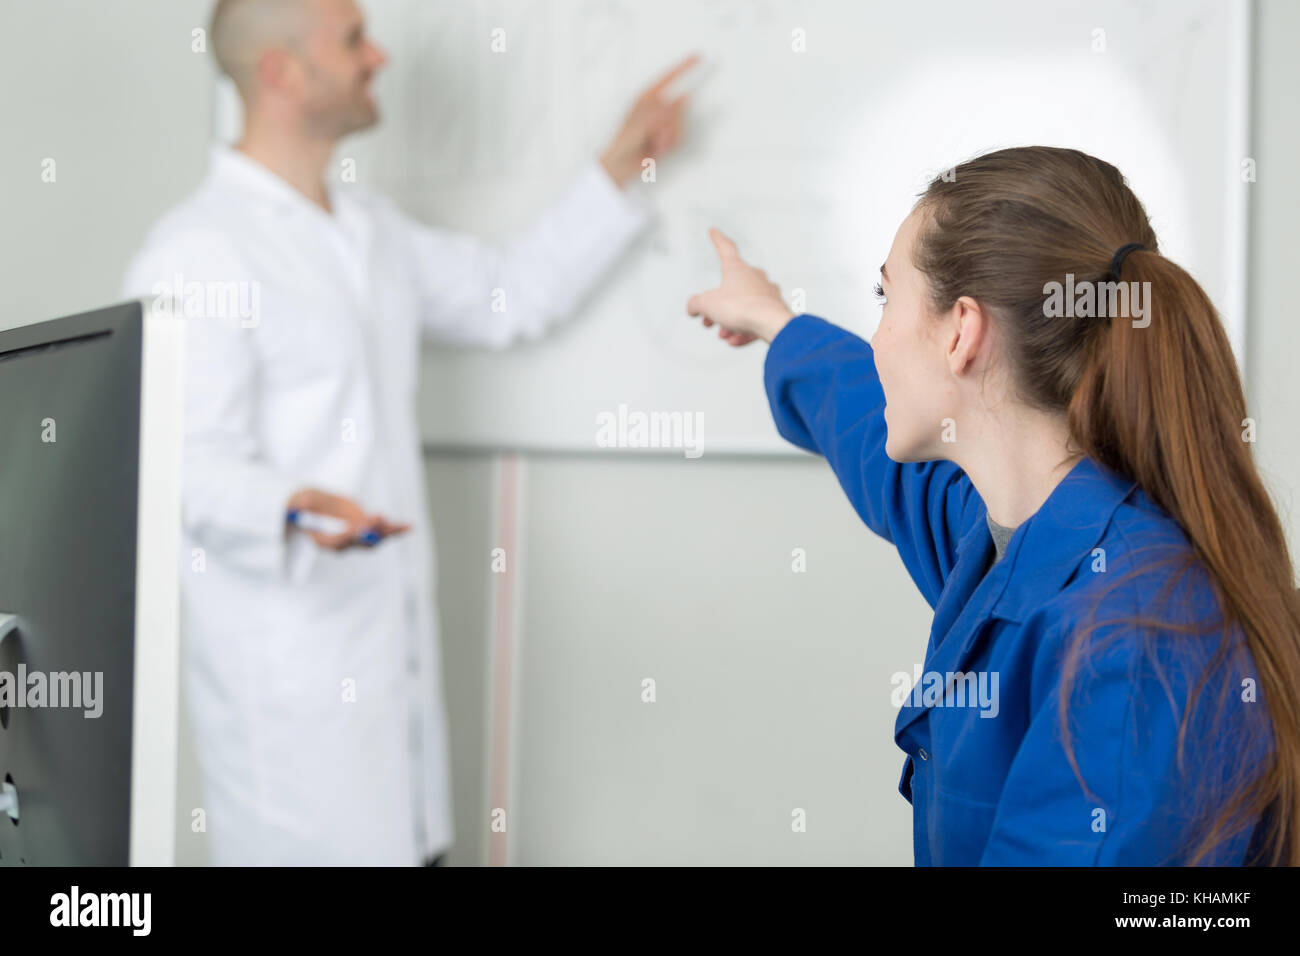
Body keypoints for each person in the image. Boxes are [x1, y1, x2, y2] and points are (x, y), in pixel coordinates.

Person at [121, 0, 695, 865]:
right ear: (281, 72)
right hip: (291, 718)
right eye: (352, 39)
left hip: (392, 701)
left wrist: (615, 171)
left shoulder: (368, 231)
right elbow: (177, 465)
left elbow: (511, 294)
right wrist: (288, 504)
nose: (379, 55)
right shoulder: (198, 253)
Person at [686, 145, 1300, 865]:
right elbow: (867, 433)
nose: (878, 335)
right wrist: (774, 321)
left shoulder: (1135, 637)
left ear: (961, 331)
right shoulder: (1013, 535)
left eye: (886, 300)